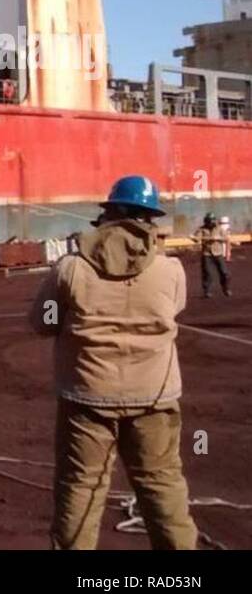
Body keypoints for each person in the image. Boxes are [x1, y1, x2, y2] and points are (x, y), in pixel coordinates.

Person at [30, 175, 198, 550]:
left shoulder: (70, 269)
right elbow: (175, 309)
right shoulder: (170, 270)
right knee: (163, 486)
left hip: (87, 397)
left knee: (80, 487)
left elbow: (45, 323)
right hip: (155, 397)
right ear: (149, 219)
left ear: (111, 214)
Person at [190, 212, 231, 298]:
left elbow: (226, 238)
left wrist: (218, 238)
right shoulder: (202, 229)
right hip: (207, 254)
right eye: (209, 222)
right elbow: (197, 239)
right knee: (207, 273)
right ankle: (207, 291)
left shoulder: (219, 228)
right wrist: (193, 238)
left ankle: (226, 288)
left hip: (218, 253)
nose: (211, 223)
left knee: (224, 272)